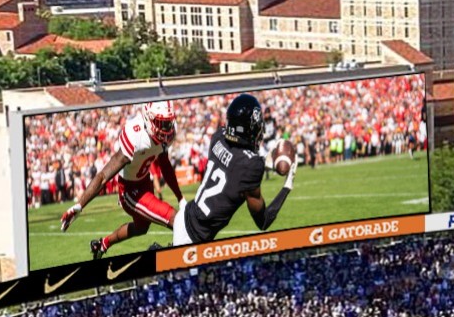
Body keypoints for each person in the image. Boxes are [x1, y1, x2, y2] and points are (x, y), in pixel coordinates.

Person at [60, 101, 187, 261]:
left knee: (142, 228)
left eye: (168, 122)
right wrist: (79, 205)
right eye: (161, 123)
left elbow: (164, 164)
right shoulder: (135, 136)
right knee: (178, 221)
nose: (167, 128)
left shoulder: (166, 134)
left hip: (144, 181)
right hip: (130, 191)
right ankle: (173, 263)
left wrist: (180, 197)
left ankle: (103, 244)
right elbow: (103, 176)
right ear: (148, 119)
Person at [174, 94, 295, 247]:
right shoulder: (251, 166)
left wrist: (264, 161)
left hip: (185, 217)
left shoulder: (218, 137)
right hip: (194, 237)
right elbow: (263, 222)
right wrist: (287, 187)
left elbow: (234, 164)